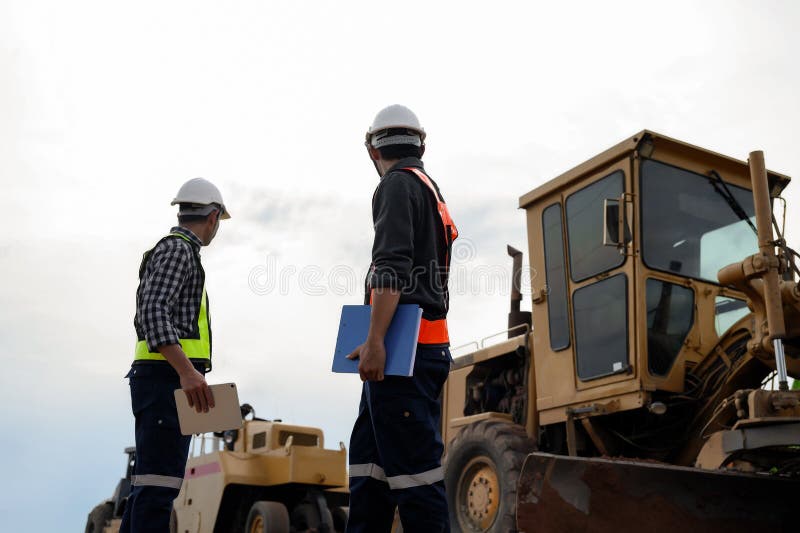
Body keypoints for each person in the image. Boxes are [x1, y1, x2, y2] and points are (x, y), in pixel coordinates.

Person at [346, 105, 457, 533]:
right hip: (410, 353)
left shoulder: (395, 185)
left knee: (415, 481)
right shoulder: (429, 188)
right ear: (421, 145)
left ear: (372, 149)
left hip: (400, 357)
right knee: (369, 474)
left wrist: (375, 340)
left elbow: (392, 267)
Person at [120, 178, 230, 533]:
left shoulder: (178, 251)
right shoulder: (178, 250)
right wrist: (186, 372)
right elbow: (152, 312)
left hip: (169, 380)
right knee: (157, 489)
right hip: (165, 380)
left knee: (151, 488)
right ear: (212, 216)